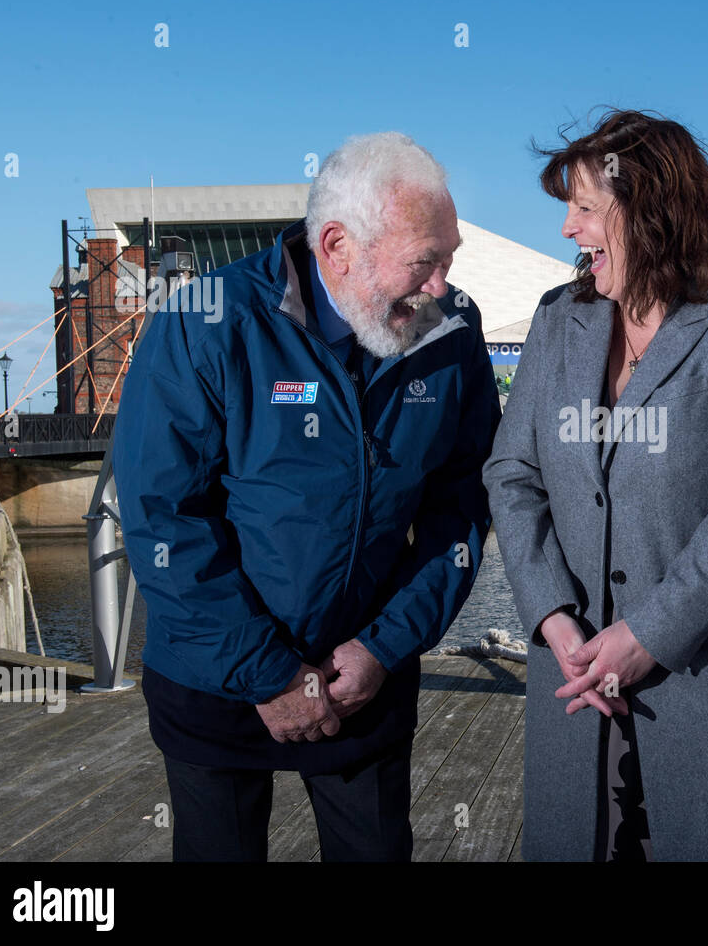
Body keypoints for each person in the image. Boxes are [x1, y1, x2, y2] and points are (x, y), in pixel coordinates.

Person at [114, 132, 500, 861]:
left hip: (364, 680)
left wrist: (383, 648)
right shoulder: (204, 324)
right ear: (337, 245)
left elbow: (462, 507)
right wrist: (271, 675)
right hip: (216, 686)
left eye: (449, 260)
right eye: (426, 261)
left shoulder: (451, 333)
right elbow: (164, 520)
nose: (442, 286)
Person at [483, 110, 708, 861]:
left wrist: (649, 634)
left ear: (649, 208)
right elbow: (512, 472)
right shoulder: (555, 320)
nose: (567, 229)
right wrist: (552, 617)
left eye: (584, 209)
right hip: (577, 689)